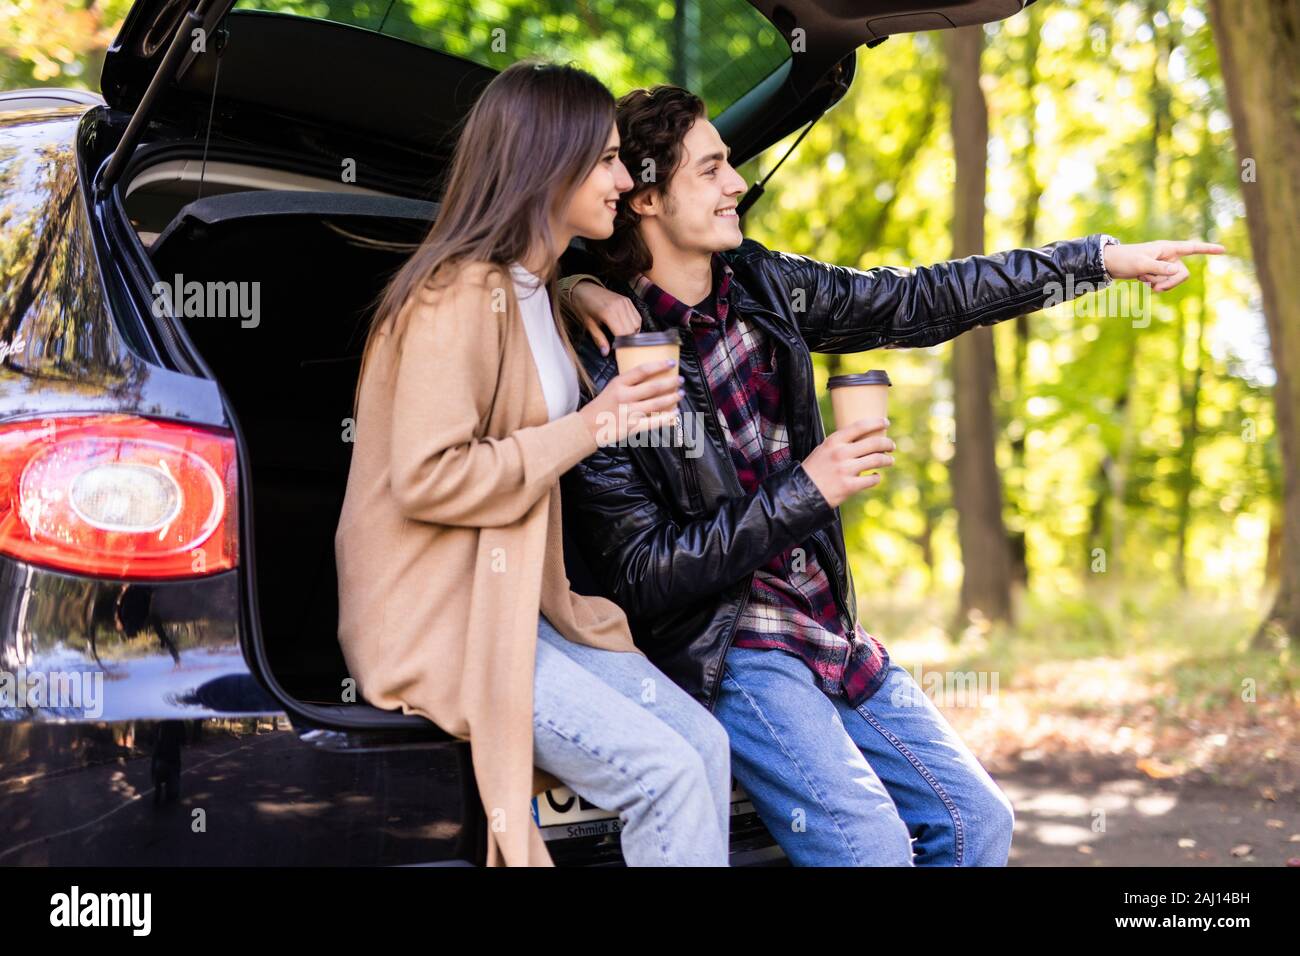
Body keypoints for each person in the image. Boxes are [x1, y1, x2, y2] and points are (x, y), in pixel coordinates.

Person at [558, 83, 1224, 866]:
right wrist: (809, 489)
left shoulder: (768, 289)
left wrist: (1096, 261)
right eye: (711, 170)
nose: (738, 183)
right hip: (732, 647)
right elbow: (640, 575)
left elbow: (920, 298)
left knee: (979, 824)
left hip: (827, 624)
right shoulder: (606, 363)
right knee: (869, 847)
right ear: (642, 198)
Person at [335, 64, 733, 867]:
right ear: (546, 164)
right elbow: (428, 476)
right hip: (442, 623)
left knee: (705, 745)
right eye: (606, 160)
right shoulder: (455, 296)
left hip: (522, 611)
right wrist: (597, 423)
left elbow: (532, 320)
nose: (625, 179)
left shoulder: (531, 288)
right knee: (667, 774)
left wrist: (582, 290)